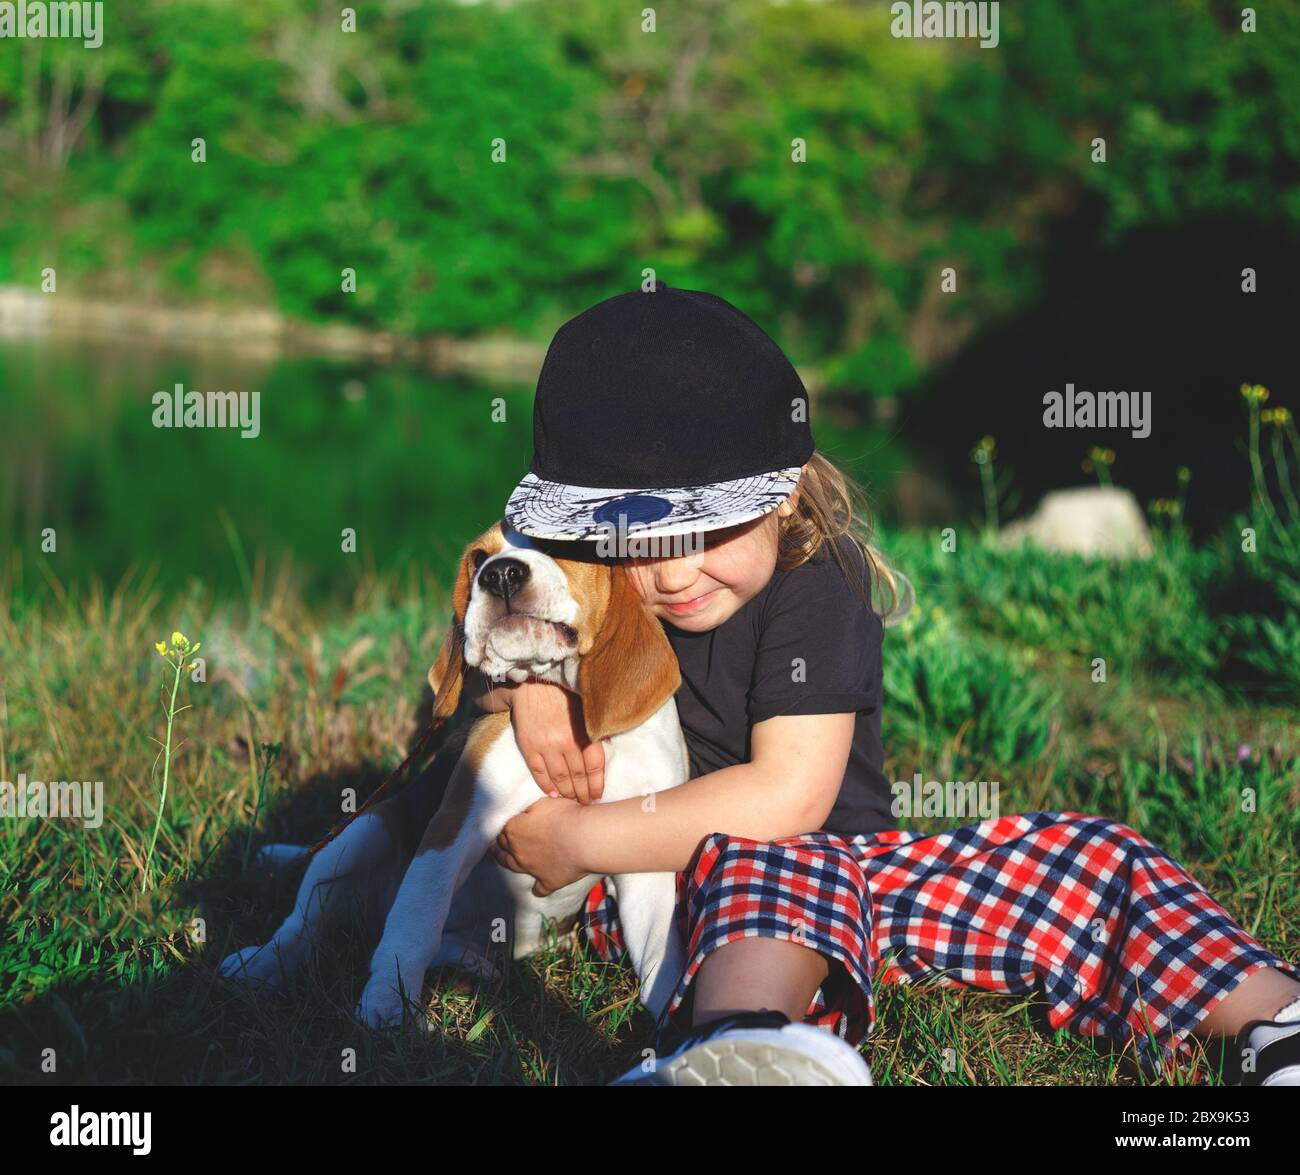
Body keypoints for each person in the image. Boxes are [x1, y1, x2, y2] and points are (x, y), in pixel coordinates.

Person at [477, 281, 1300, 1086]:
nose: (676, 570)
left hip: (861, 873)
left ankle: (1277, 1025)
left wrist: (580, 838)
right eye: (643, 535)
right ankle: (733, 1048)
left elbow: (790, 799)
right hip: (658, 890)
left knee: (1096, 857)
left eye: (710, 525)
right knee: (765, 862)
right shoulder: (595, 571)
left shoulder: (817, 577)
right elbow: (480, 624)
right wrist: (529, 689)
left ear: (785, 493)